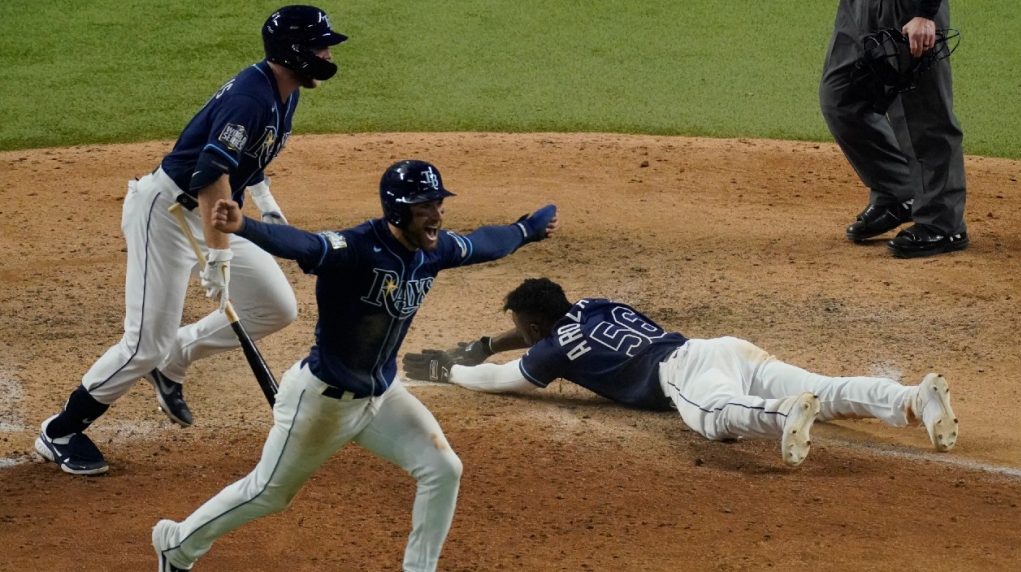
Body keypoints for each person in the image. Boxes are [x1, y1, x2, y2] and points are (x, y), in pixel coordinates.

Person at [151, 160, 559, 572]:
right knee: (268, 493)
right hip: (323, 404)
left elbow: (485, 243)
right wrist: (245, 227)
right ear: (399, 210)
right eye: (425, 208)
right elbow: (305, 245)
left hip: (382, 395)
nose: (437, 216)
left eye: (438, 204)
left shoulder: (430, 253)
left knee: (442, 468)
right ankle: (178, 545)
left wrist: (526, 230)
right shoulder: (358, 249)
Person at [34, 5, 347, 476]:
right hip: (168, 214)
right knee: (143, 345)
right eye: (320, 45)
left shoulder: (284, 90)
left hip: (218, 213)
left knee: (275, 307)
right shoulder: (251, 99)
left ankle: (175, 359)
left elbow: (251, 155)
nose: (327, 53)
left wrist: (266, 203)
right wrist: (218, 261)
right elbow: (210, 175)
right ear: (295, 52)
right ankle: (59, 430)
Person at [403, 278, 959, 467]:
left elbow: (504, 379)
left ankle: (782, 416)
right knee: (828, 389)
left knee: (715, 418)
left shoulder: (552, 351)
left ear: (533, 325)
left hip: (679, 375)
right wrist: (483, 342)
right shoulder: (594, 304)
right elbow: (535, 333)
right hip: (724, 349)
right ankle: (915, 399)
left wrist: (450, 370)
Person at [820, 0, 968, 258]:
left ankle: (942, 222)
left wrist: (924, 13)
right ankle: (897, 191)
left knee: (924, 116)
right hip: (858, 7)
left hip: (909, 9)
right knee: (842, 98)